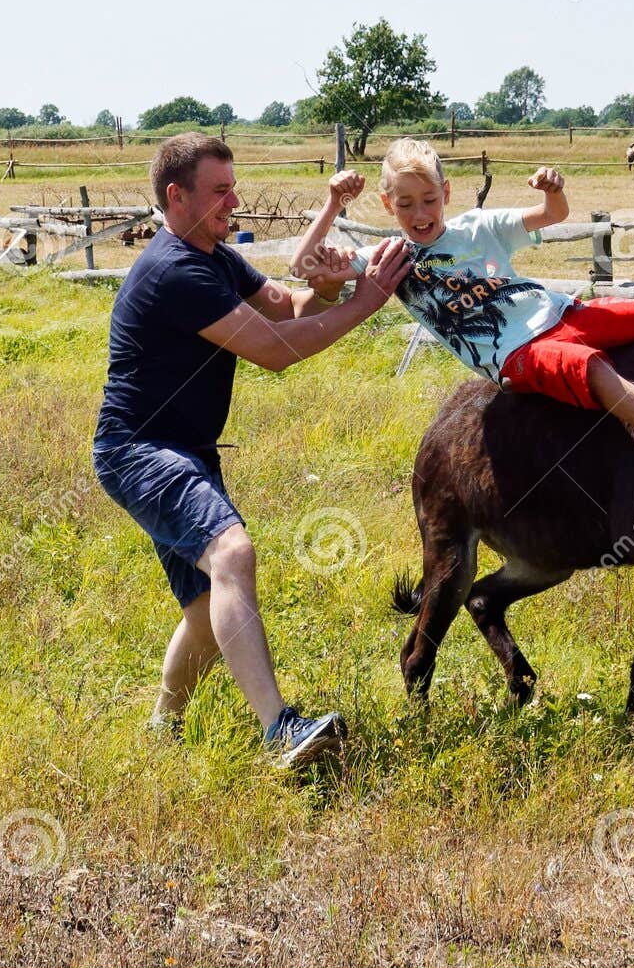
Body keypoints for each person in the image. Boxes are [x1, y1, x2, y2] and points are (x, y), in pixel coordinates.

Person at [93, 132, 409, 768]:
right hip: (139, 447)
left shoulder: (213, 254)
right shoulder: (174, 270)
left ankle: (162, 727)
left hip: (182, 448)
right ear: (176, 196)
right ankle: (280, 731)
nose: (233, 201)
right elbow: (274, 350)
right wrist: (370, 301)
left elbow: (286, 309)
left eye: (233, 187)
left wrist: (327, 288)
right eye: (219, 191)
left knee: (210, 603)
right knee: (233, 553)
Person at [291, 137, 634, 477]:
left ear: (446, 193)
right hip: (516, 356)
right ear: (387, 206)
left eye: (428, 200)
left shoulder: (481, 227)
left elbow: (552, 214)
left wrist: (553, 190)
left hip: (565, 313)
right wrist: (333, 203)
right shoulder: (389, 256)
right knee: (589, 368)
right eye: (405, 205)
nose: (419, 213)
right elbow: (303, 265)